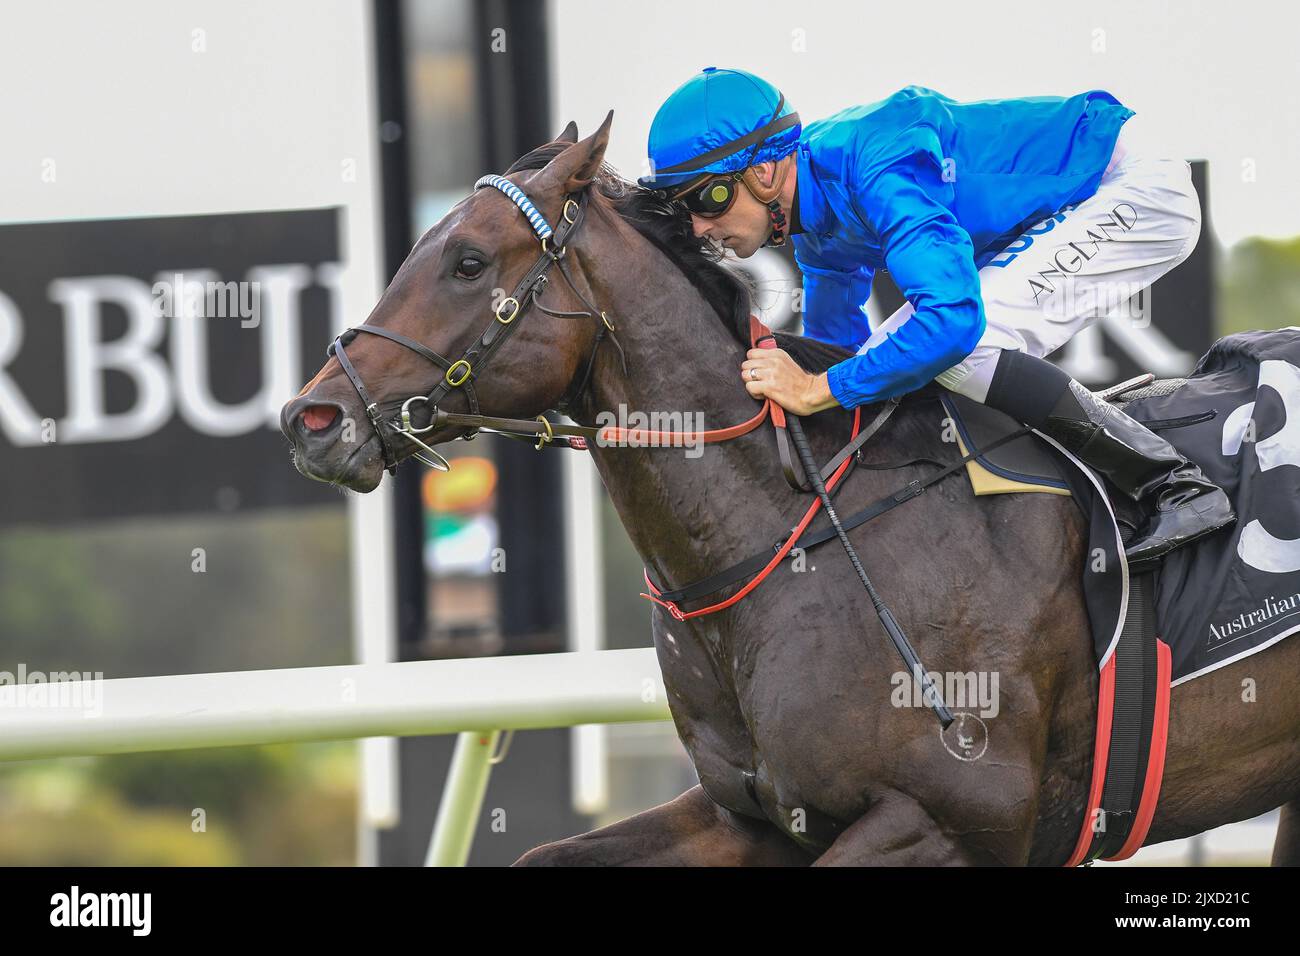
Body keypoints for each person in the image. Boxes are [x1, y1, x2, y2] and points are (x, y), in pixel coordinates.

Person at [638, 66, 1235, 569]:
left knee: (960, 344)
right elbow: (836, 352)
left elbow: (949, 324)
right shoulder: (814, 231)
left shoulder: (871, 162)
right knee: (887, 355)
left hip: (1131, 187)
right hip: (1077, 195)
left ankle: (1174, 484)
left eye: (705, 199)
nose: (697, 226)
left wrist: (820, 389)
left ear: (763, 172)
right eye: (680, 208)